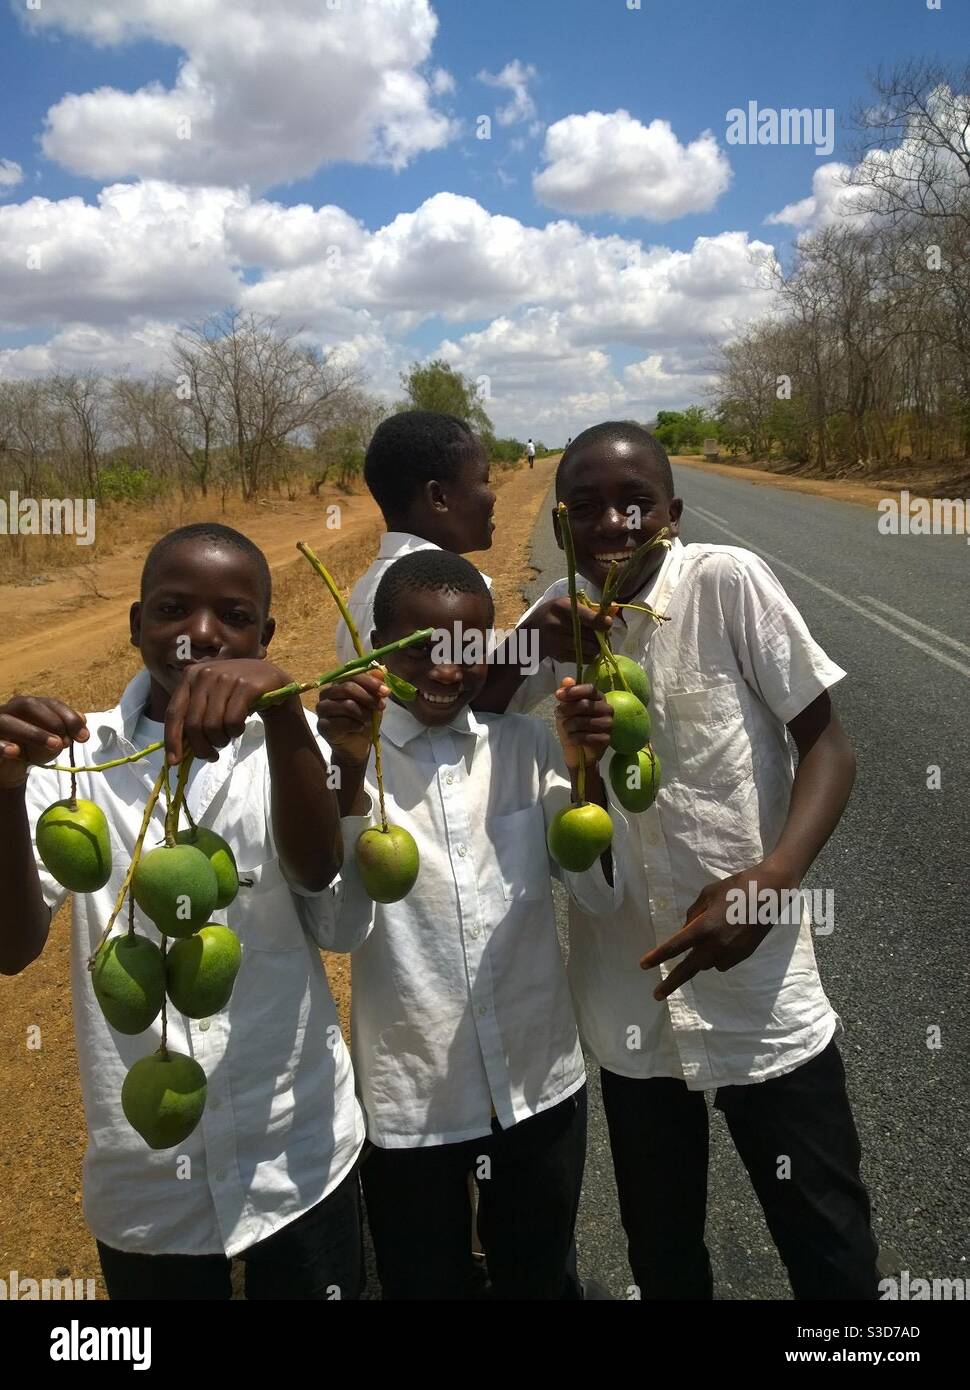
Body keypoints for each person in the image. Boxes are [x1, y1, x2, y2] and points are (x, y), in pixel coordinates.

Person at [476, 422, 879, 1301]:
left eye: (635, 504)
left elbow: (828, 746)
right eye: (585, 508)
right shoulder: (563, 618)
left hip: (759, 981)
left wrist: (772, 884)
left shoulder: (726, 584)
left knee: (825, 1228)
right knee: (662, 1242)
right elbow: (474, 710)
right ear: (559, 523)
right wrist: (530, 642)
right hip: (630, 993)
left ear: (674, 514)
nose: (613, 524)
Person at [0, 522, 371, 1300]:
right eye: (173, 609)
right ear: (136, 625)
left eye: (235, 617)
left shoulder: (281, 750)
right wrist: (3, 791)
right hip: (149, 1192)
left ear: (266, 637)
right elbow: (11, 946)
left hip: (296, 1155)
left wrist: (283, 716)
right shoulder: (77, 763)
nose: (201, 635)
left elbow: (329, 904)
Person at [317, 549, 624, 1300]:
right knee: (424, 1281)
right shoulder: (344, 765)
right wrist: (347, 773)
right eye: (419, 648)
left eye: (468, 649)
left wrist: (588, 772)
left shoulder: (525, 749)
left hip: (537, 1084)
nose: (446, 672)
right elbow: (337, 925)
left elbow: (598, 894)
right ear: (373, 646)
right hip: (413, 1101)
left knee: (540, 1274)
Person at [335, 411, 496, 664]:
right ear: (439, 497)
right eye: (485, 480)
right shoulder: (446, 594)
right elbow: (462, 701)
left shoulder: (362, 593)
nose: (493, 496)